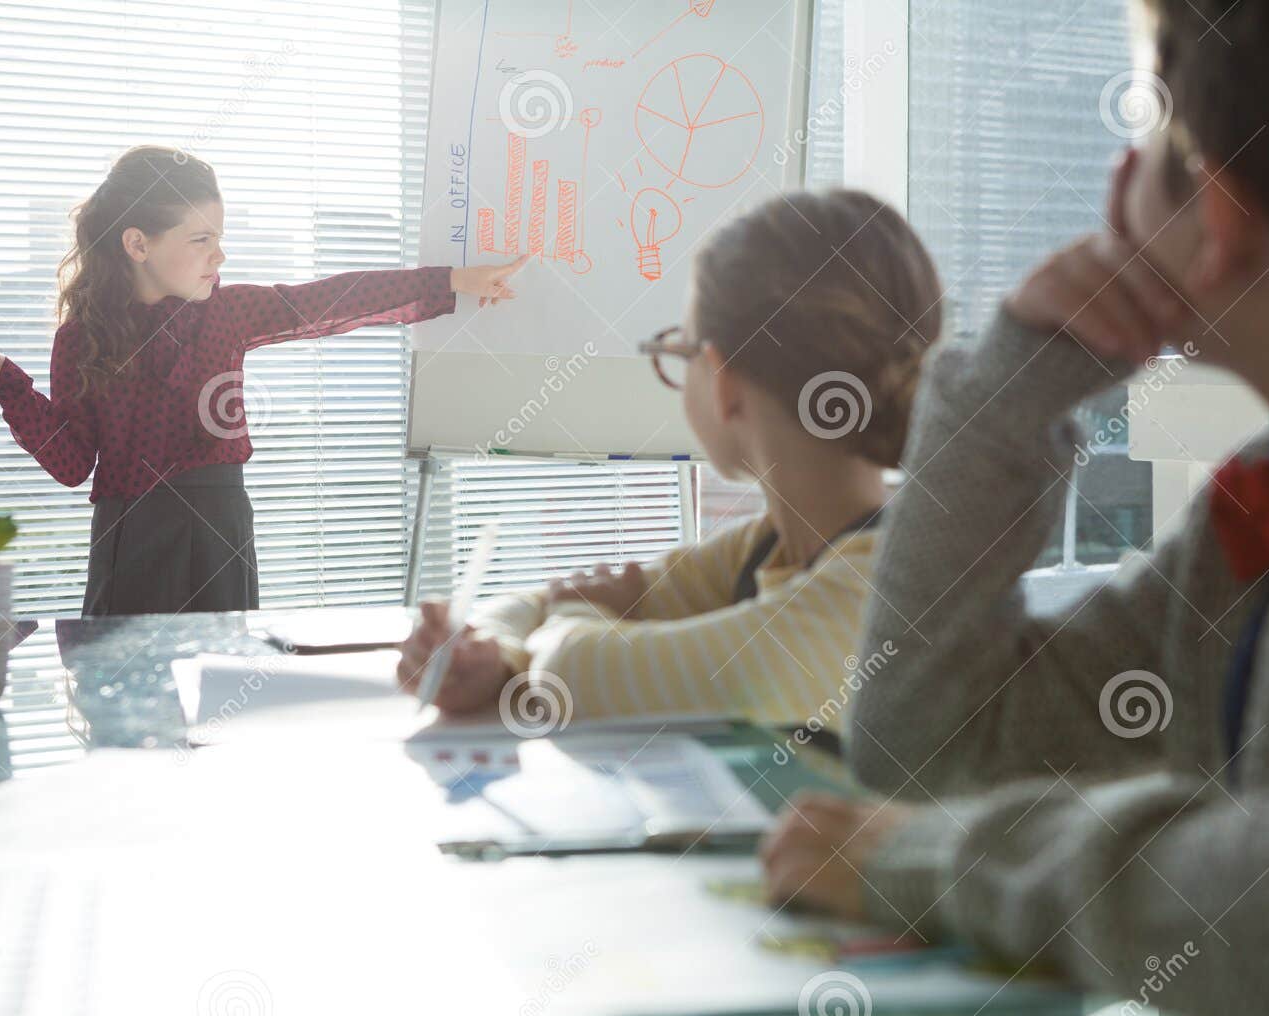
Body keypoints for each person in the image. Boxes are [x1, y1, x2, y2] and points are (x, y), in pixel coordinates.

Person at [762, 0, 1269, 1016]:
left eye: (1149, 129)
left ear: (1222, 221)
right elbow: (930, 749)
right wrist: (1006, 390)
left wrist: (941, 863)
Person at [397, 189, 941, 728]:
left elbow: (577, 670)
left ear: (722, 381)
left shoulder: (879, 593)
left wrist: (568, 620)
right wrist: (486, 653)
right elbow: (548, 599)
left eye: (678, 354)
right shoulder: (770, 546)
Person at [0, 145, 526, 615]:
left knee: (222, 702)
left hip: (221, 531)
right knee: (131, 713)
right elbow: (70, 463)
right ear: (137, 244)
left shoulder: (227, 312)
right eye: (201, 240)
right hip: (131, 541)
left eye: (219, 237)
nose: (219, 255)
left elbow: (328, 300)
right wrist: (7, 387)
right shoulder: (82, 339)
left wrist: (451, 281)